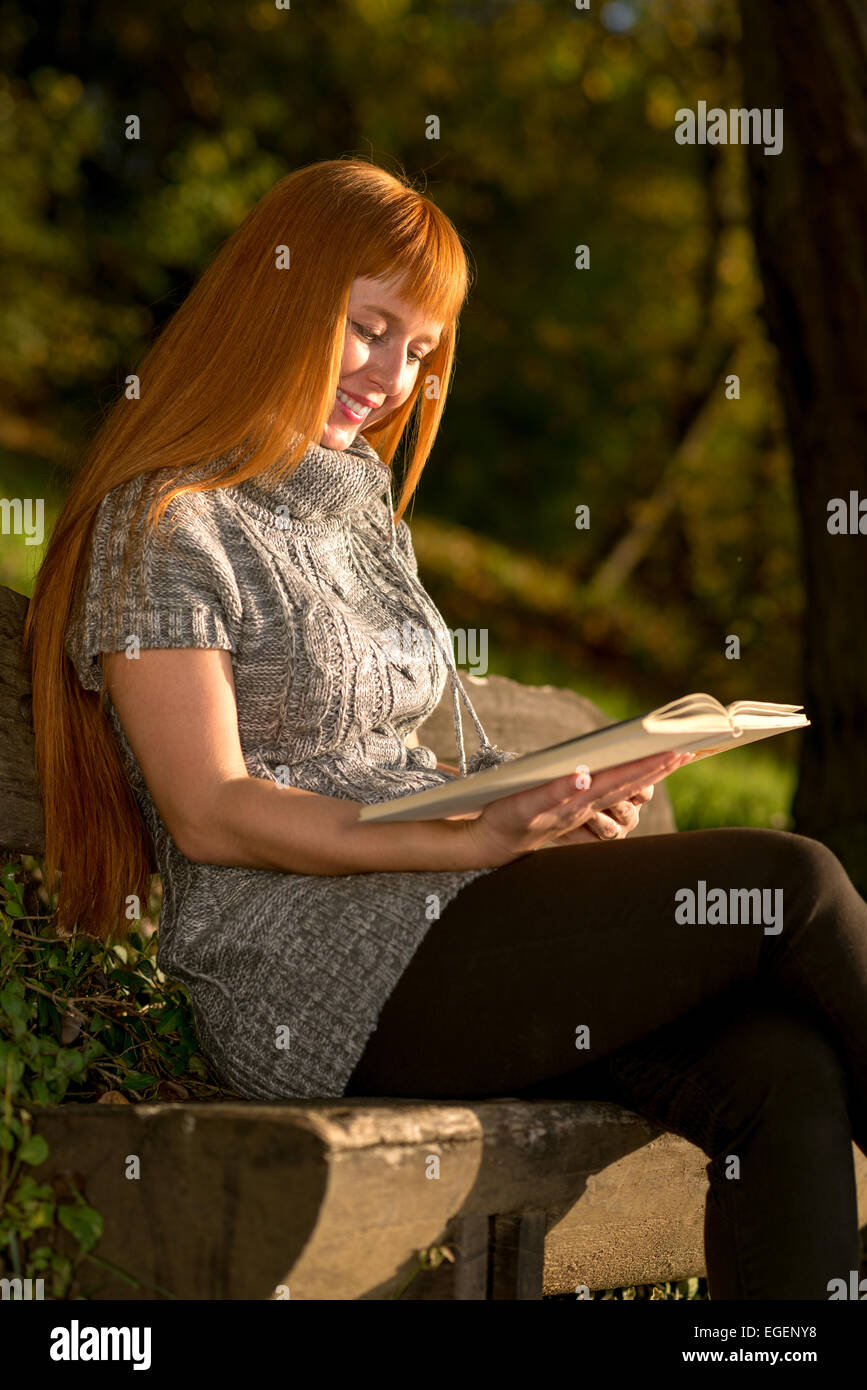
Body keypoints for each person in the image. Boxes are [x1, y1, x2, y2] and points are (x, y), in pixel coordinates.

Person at [26, 158, 867, 1300]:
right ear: (280, 294)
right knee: (794, 881)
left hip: (456, 922)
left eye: (419, 350)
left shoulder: (357, 506)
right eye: (369, 328)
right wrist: (465, 840)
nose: (391, 375)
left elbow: (391, 753)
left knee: (781, 1073)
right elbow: (213, 810)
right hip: (314, 976)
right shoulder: (168, 520)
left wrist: (551, 795)